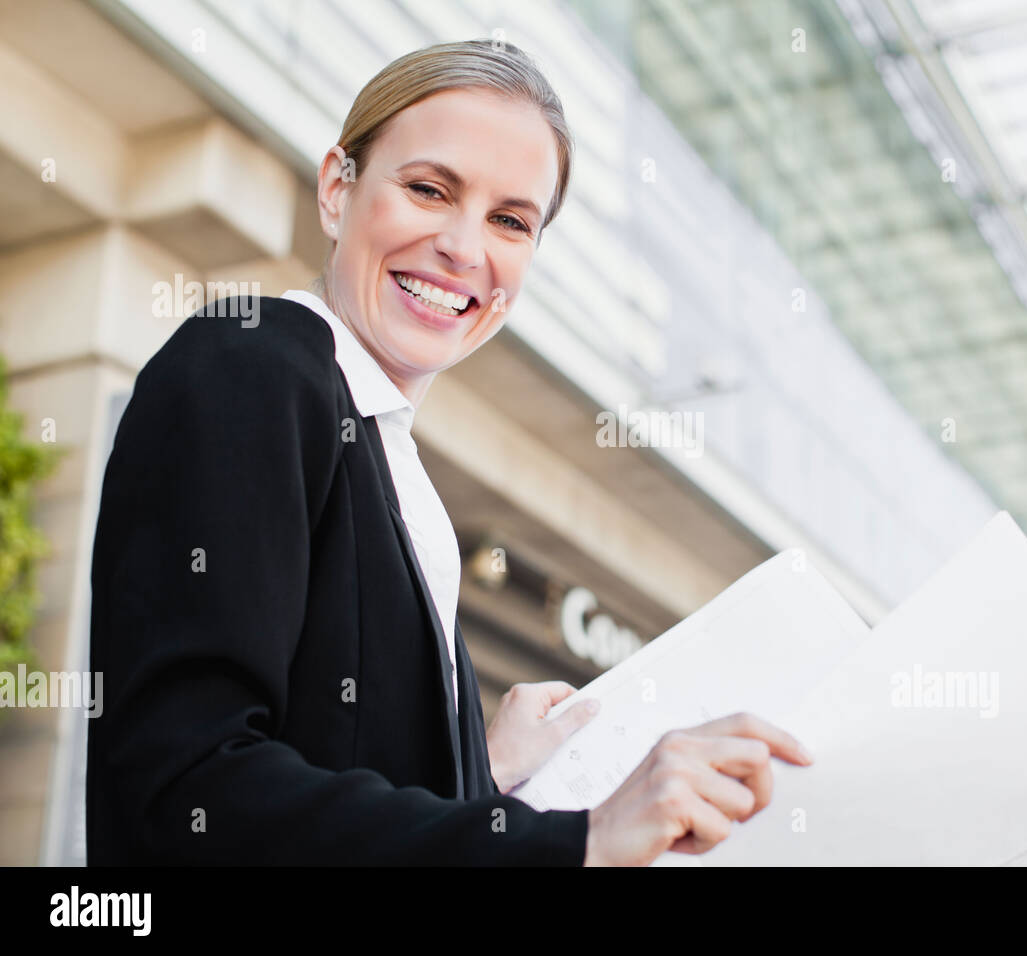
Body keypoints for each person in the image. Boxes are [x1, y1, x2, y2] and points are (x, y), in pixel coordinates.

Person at [86, 38, 811, 867]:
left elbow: (330, 775)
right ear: (336, 188)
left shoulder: (395, 471)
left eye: (510, 220)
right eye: (430, 189)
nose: (466, 249)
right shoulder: (250, 365)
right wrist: (584, 841)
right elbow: (187, 793)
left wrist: (481, 769)